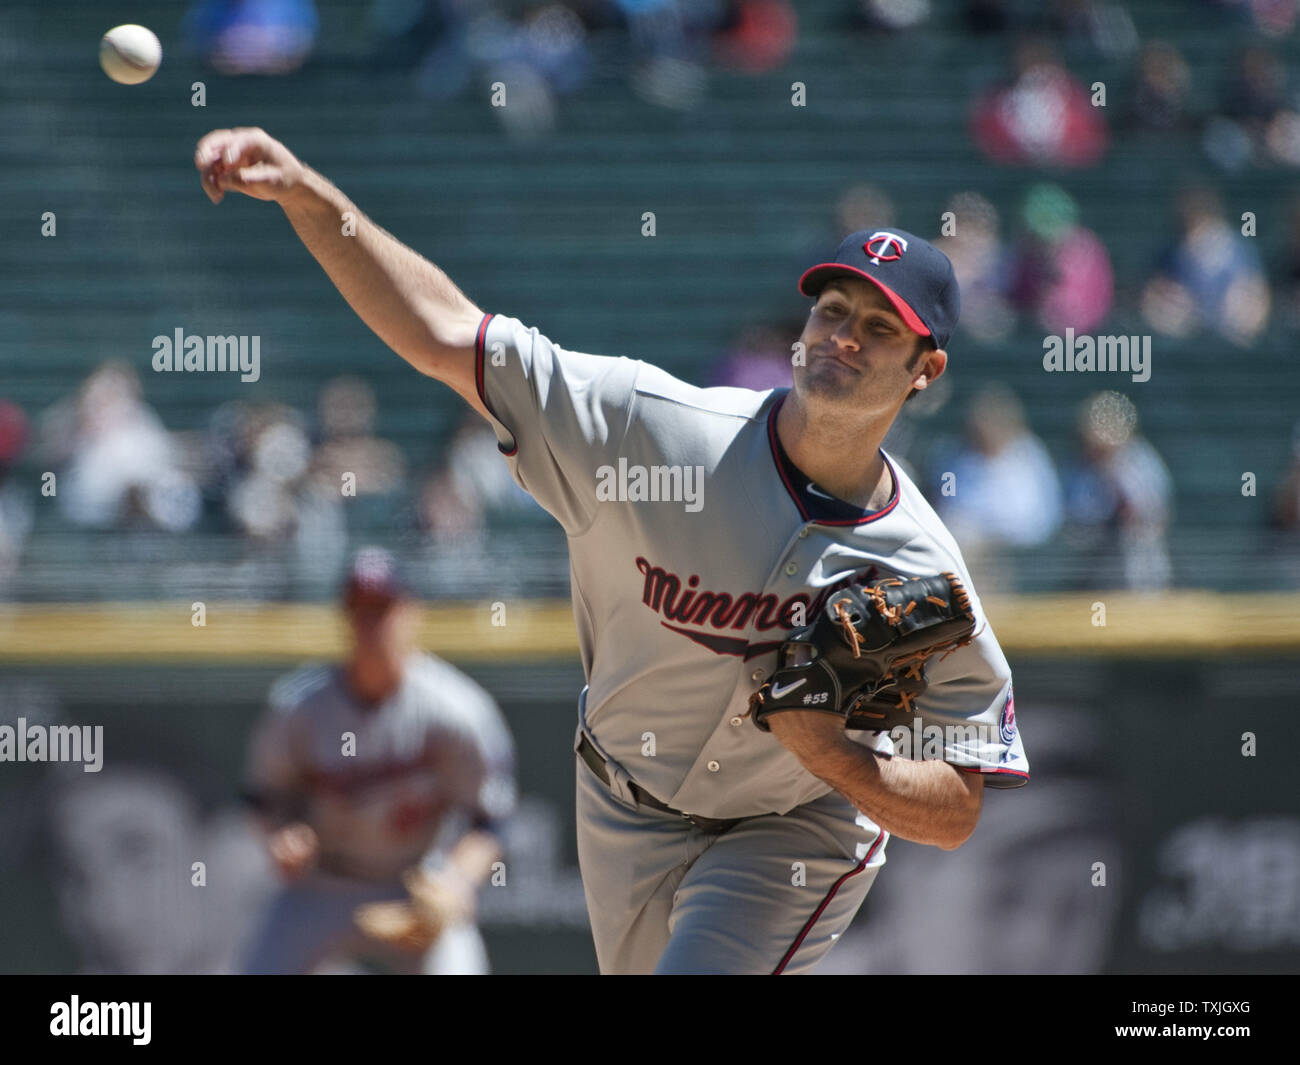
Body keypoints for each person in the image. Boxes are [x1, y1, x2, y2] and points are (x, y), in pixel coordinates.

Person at [196, 129, 1028, 975]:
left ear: (926, 370)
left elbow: (956, 807)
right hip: (622, 798)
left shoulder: (922, 570)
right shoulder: (651, 430)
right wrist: (307, 193)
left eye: (882, 328)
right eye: (834, 310)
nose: (846, 336)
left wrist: (835, 756)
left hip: (796, 825)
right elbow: (447, 333)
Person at [240, 546, 516, 974]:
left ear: (412, 613)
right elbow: (262, 796)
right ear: (344, 618)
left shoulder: (455, 710)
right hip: (320, 885)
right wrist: (281, 835)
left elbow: (489, 820)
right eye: (360, 610)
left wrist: (456, 881)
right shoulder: (300, 706)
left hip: (414, 885)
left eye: (383, 608)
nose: (372, 624)